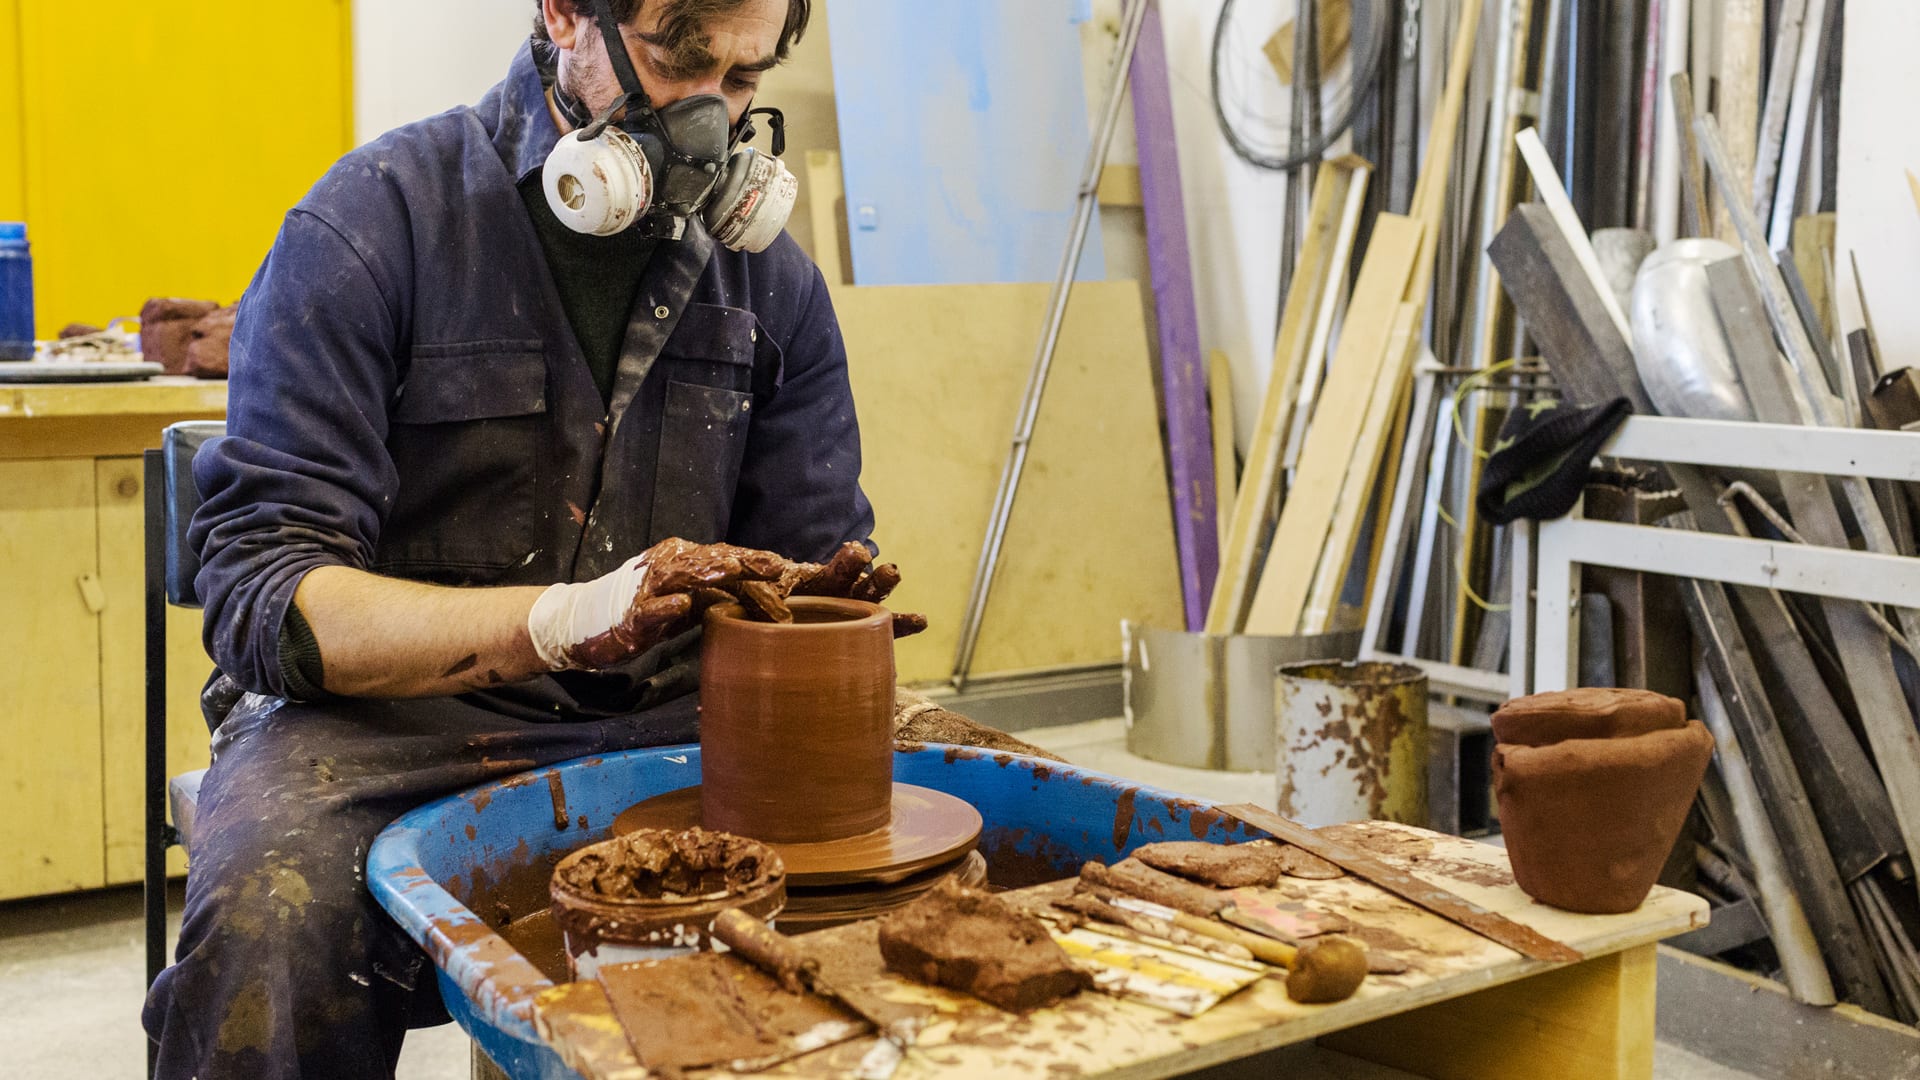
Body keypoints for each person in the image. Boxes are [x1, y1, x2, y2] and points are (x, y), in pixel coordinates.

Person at [142, 1, 900, 1075]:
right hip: (384, 734)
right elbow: (269, 599)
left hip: (671, 717)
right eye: (677, 58)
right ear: (564, 12)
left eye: (741, 82)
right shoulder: (370, 225)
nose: (708, 122)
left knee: (951, 843)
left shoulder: (771, 286)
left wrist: (833, 612)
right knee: (272, 914)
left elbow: (810, 577)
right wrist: (561, 621)